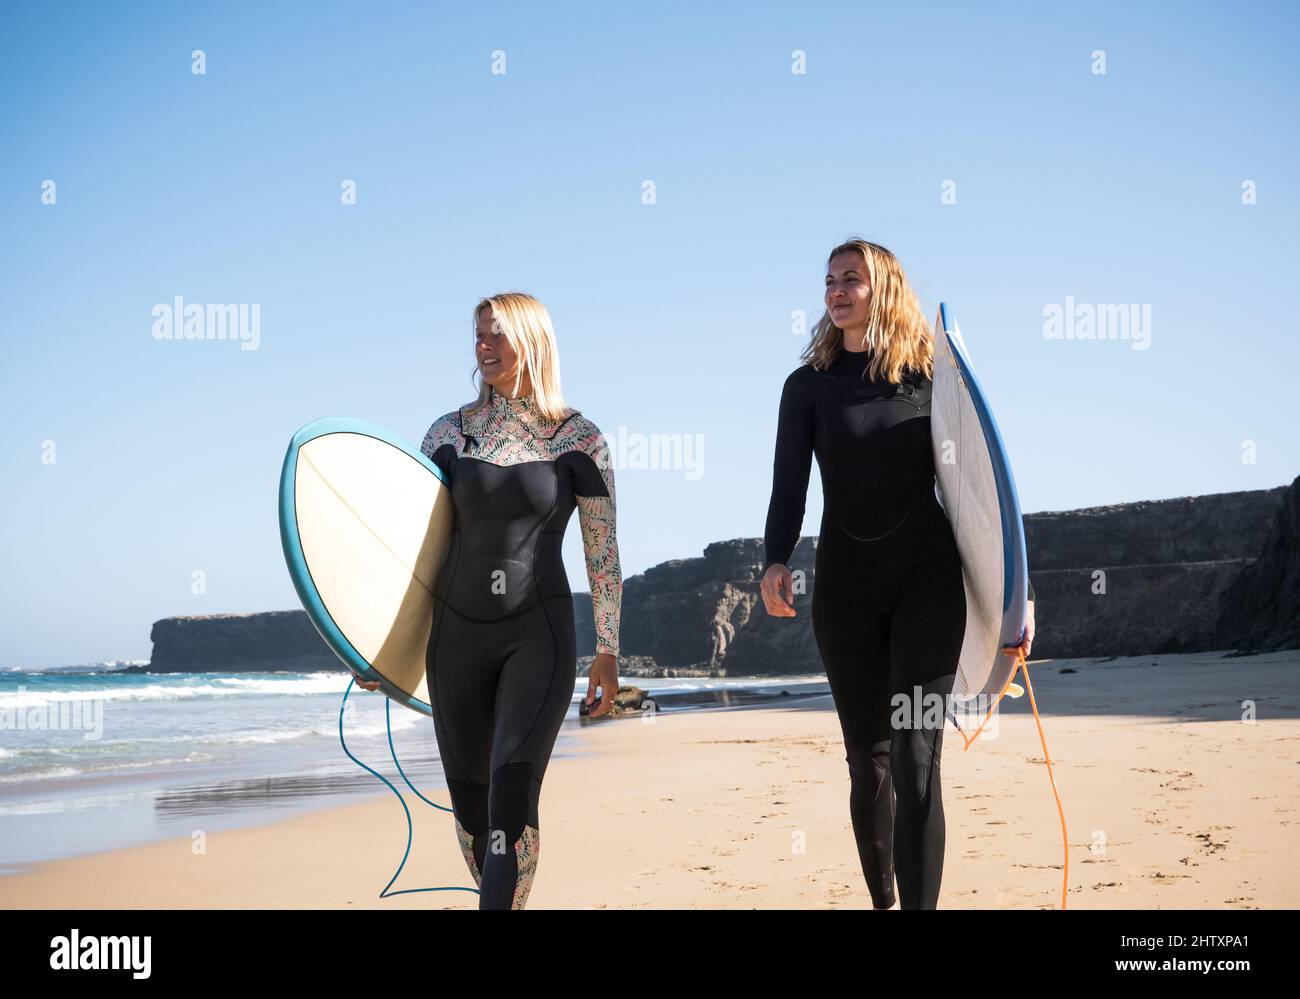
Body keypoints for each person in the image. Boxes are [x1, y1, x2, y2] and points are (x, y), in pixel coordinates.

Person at [759, 239, 1036, 910]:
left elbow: (981, 496)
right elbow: (789, 485)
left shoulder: (932, 379)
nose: (837, 289)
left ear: (883, 287)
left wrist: (1017, 594)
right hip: (846, 589)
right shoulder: (808, 388)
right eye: (829, 280)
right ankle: (883, 900)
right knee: (870, 765)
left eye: (851, 278)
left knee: (917, 762)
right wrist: (774, 558)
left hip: (927, 579)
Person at [361, 292, 622, 909]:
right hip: (455, 641)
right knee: (473, 810)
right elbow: (413, 555)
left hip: (539, 635)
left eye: (498, 335)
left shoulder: (578, 438)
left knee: (511, 791)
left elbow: (603, 554)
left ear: (533, 341)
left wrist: (608, 649)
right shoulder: (447, 434)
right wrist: (376, 642)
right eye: (479, 335)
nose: (485, 347)